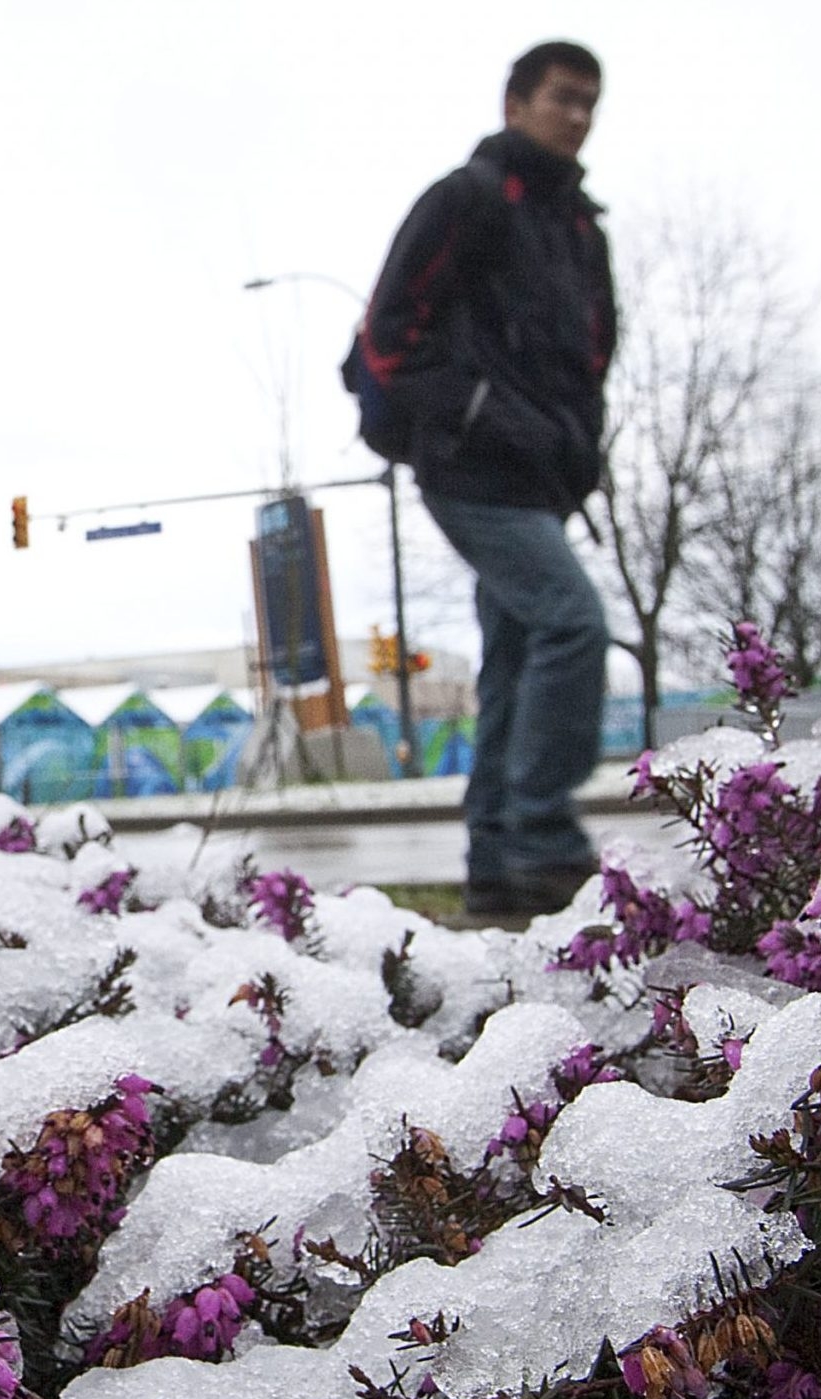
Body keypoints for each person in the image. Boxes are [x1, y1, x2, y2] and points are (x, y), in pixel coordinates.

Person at [354, 40, 617, 917]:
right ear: (515, 104)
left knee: (513, 661)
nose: (576, 117)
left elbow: (591, 361)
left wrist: (579, 449)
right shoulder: (467, 199)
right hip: (469, 467)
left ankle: (499, 875)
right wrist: (472, 412)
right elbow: (388, 335)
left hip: (542, 478)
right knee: (573, 623)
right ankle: (542, 839)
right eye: (562, 99)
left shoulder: (581, 232)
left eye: (590, 103)